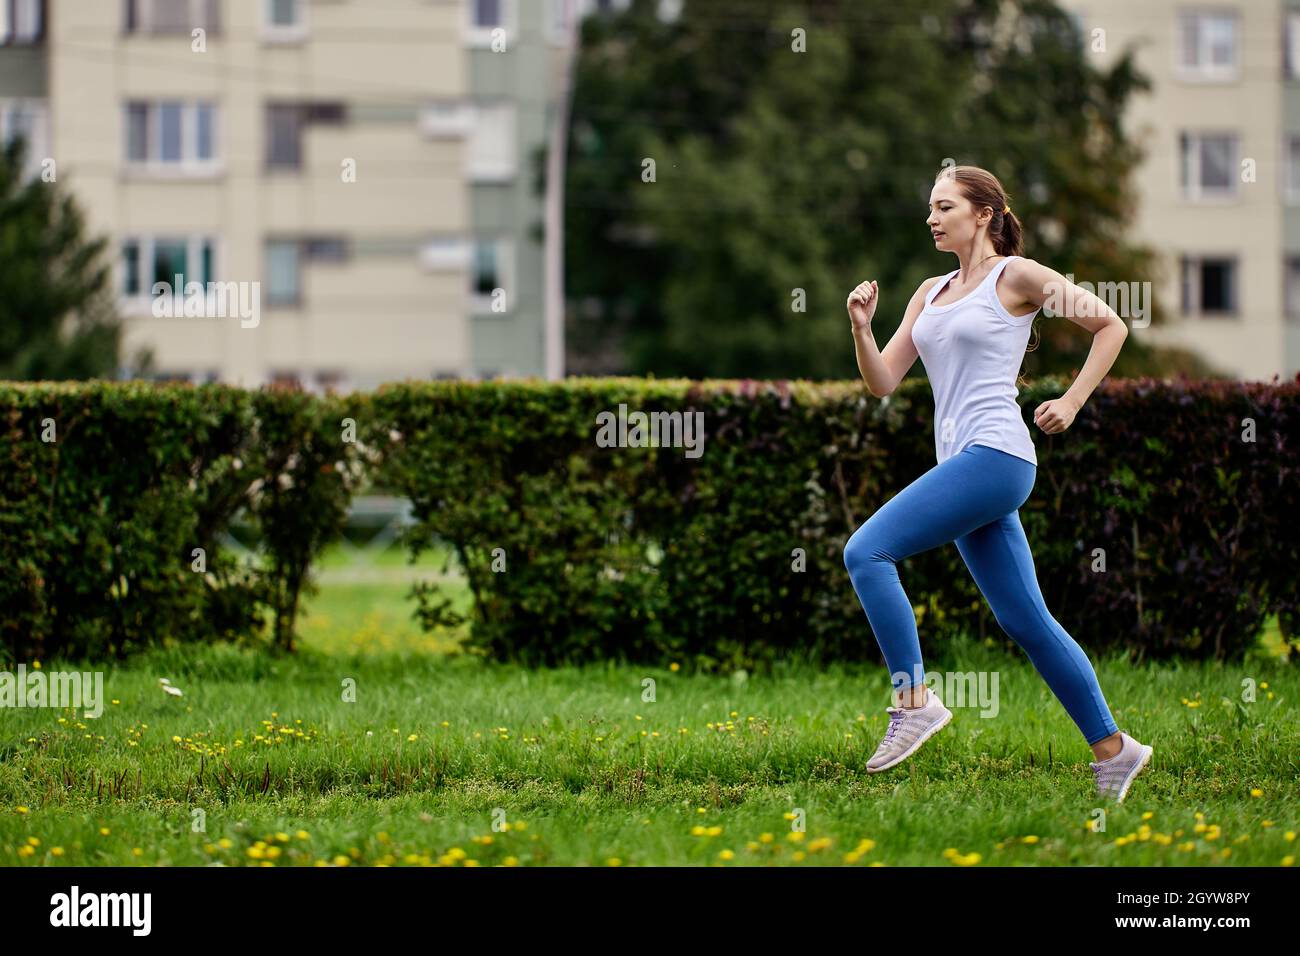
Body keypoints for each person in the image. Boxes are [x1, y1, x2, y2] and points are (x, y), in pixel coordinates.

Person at [841, 163, 1153, 803]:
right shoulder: (928, 291)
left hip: (997, 455)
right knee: (1026, 620)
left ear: (982, 213)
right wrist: (861, 329)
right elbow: (882, 381)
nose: (932, 217)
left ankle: (914, 703)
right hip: (963, 463)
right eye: (930, 207)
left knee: (866, 552)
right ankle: (1115, 751)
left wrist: (1071, 400)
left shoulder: (1019, 277)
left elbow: (1111, 326)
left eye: (944, 206)